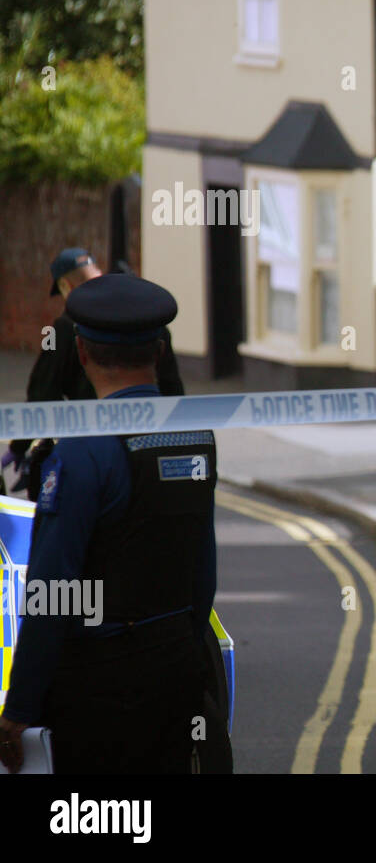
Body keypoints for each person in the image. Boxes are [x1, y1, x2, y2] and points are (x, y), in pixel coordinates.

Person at [0, 274, 218, 775]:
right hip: (176, 663)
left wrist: (20, 708)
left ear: (79, 353)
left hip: (101, 684)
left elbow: (52, 592)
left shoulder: (82, 451)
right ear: (160, 352)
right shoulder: (196, 433)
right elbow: (202, 571)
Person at [7, 248, 185, 499]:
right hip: (149, 441)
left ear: (65, 286)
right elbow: (173, 387)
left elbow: (42, 391)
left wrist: (21, 445)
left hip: (89, 442)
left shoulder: (57, 330)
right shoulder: (146, 319)